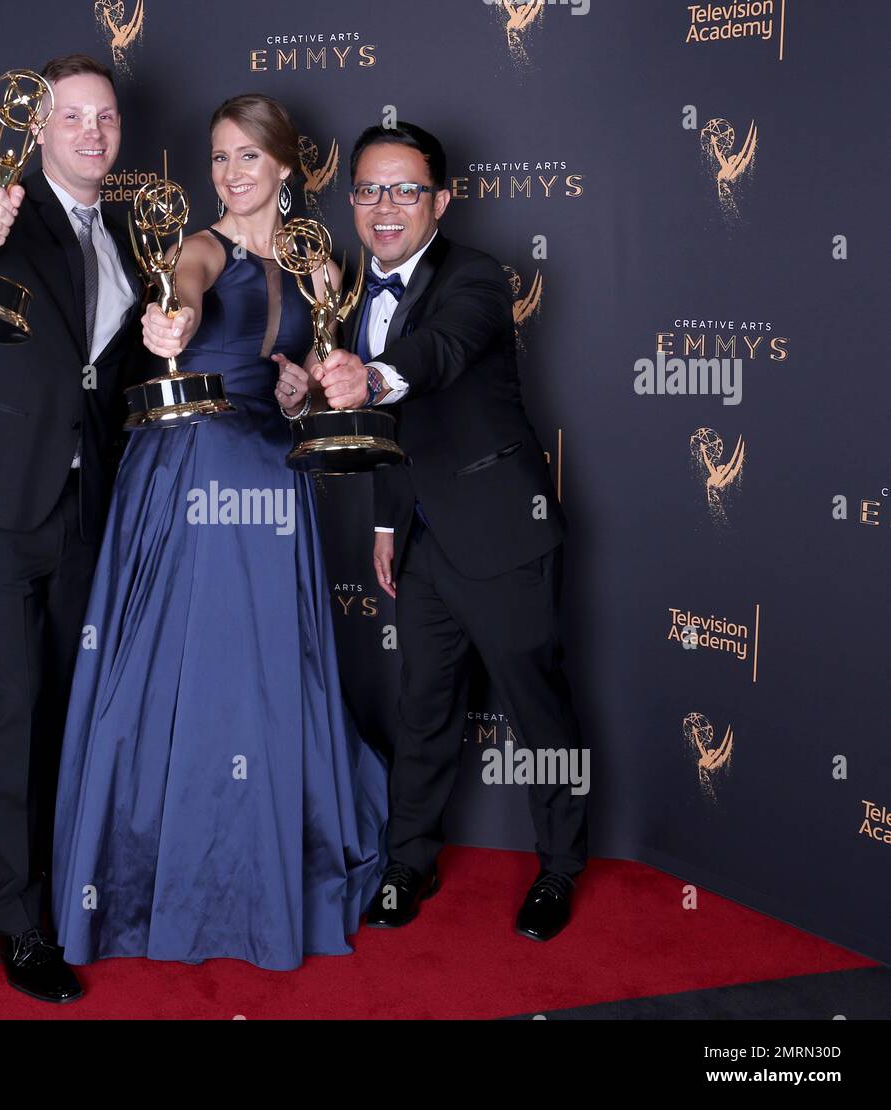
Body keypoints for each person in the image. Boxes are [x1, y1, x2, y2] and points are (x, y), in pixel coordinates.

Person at [50, 94, 387, 972]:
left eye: (246, 158)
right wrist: (174, 319)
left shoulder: (320, 266)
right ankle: (154, 877)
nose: (229, 175)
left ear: (284, 168)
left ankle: (264, 861)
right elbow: (184, 293)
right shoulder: (198, 247)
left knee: (265, 674)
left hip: (276, 470)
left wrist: (300, 390)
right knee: (187, 670)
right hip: (197, 467)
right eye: (217, 158)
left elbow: (315, 379)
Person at [314, 121, 588, 942]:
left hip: (504, 533)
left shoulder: (476, 276)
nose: (384, 206)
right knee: (422, 709)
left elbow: (436, 354)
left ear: (441, 199)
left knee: (536, 713)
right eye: (367, 189)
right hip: (423, 539)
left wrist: (373, 374)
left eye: (404, 189)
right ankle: (409, 860)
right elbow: (383, 428)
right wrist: (388, 522)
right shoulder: (352, 291)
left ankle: (560, 868)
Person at [0, 54, 142, 1002]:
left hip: (92, 504)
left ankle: (71, 885)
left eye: (108, 117)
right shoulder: (3, 207)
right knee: (13, 705)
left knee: (70, 706)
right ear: (40, 128)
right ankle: (16, 921)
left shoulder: (134, 231)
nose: (93, 132)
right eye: (73, 116)